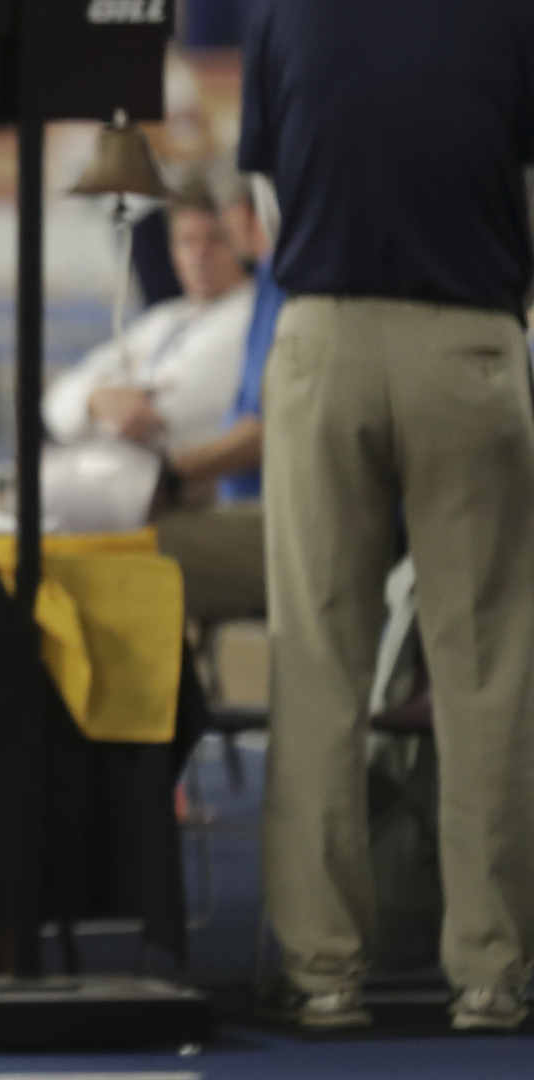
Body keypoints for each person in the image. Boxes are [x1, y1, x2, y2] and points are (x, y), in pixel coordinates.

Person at [241, 0, 534, 1032]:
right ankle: (490, 972)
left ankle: (323, 972)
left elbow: (268, 195)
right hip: (472, 338)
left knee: (317, 656)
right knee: (487, 669)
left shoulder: (282, 14)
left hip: (323, 335)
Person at [43, 174, 256, 473]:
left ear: (238, 241)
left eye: (214, 239)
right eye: (187, 241)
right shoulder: (164, 319)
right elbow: (56, 400)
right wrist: (96, 399)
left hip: (190, 494)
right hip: (120, 483)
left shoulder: (251, 316)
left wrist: (99, 406)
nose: (199, 255)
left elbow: (156, 417)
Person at [149, 166, 287, 621]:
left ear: (245, 214)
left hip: (276, 516)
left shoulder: (285, 286)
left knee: (124, 555)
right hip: (240, 502)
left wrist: (173, 478)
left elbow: (275, 431)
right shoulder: (272, 284)